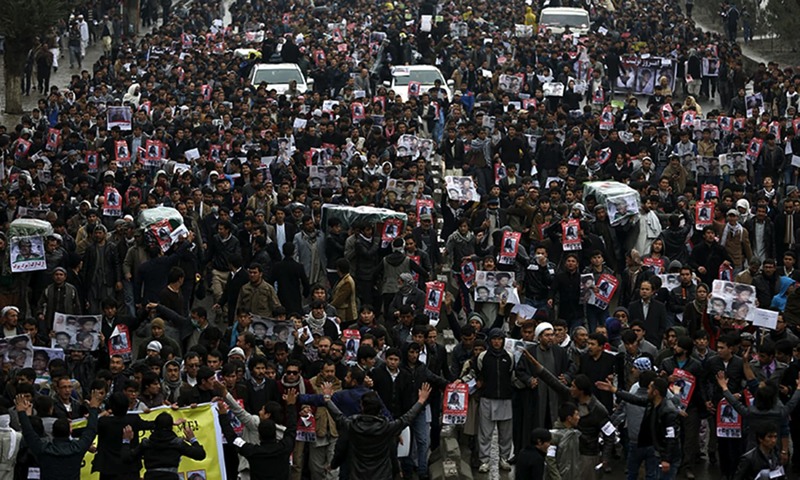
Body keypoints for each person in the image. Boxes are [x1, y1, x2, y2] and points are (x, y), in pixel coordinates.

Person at [321, 380, 431, 479]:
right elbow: (407, 418)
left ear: (362, 406)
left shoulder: (352, 425)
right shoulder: (387, 427)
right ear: (379, 409)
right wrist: (420, 401)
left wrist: (327, 399)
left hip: (358, 475)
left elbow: (338, 416)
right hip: (382, 474)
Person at [16, 388, 104, 480]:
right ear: (70, 432)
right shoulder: (78, 448)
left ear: (52, 432)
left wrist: (22, 413)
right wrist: (94, 408)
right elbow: (91, 430)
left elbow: (28, 433)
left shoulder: (43, 449)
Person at [217, 389, 298, 480]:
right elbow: (292, 427)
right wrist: (291, 405)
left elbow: (232, 438)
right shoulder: (285, 446)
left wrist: (223, 416)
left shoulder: (252, 451)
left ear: (259, 435)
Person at [121, 412, 206, 479]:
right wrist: (193, 439)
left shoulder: (146, 444)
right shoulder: (177, 443)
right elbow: (200, 455)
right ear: (171, 427)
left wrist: (126, 441)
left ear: (155, 426)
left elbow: (127, 458)